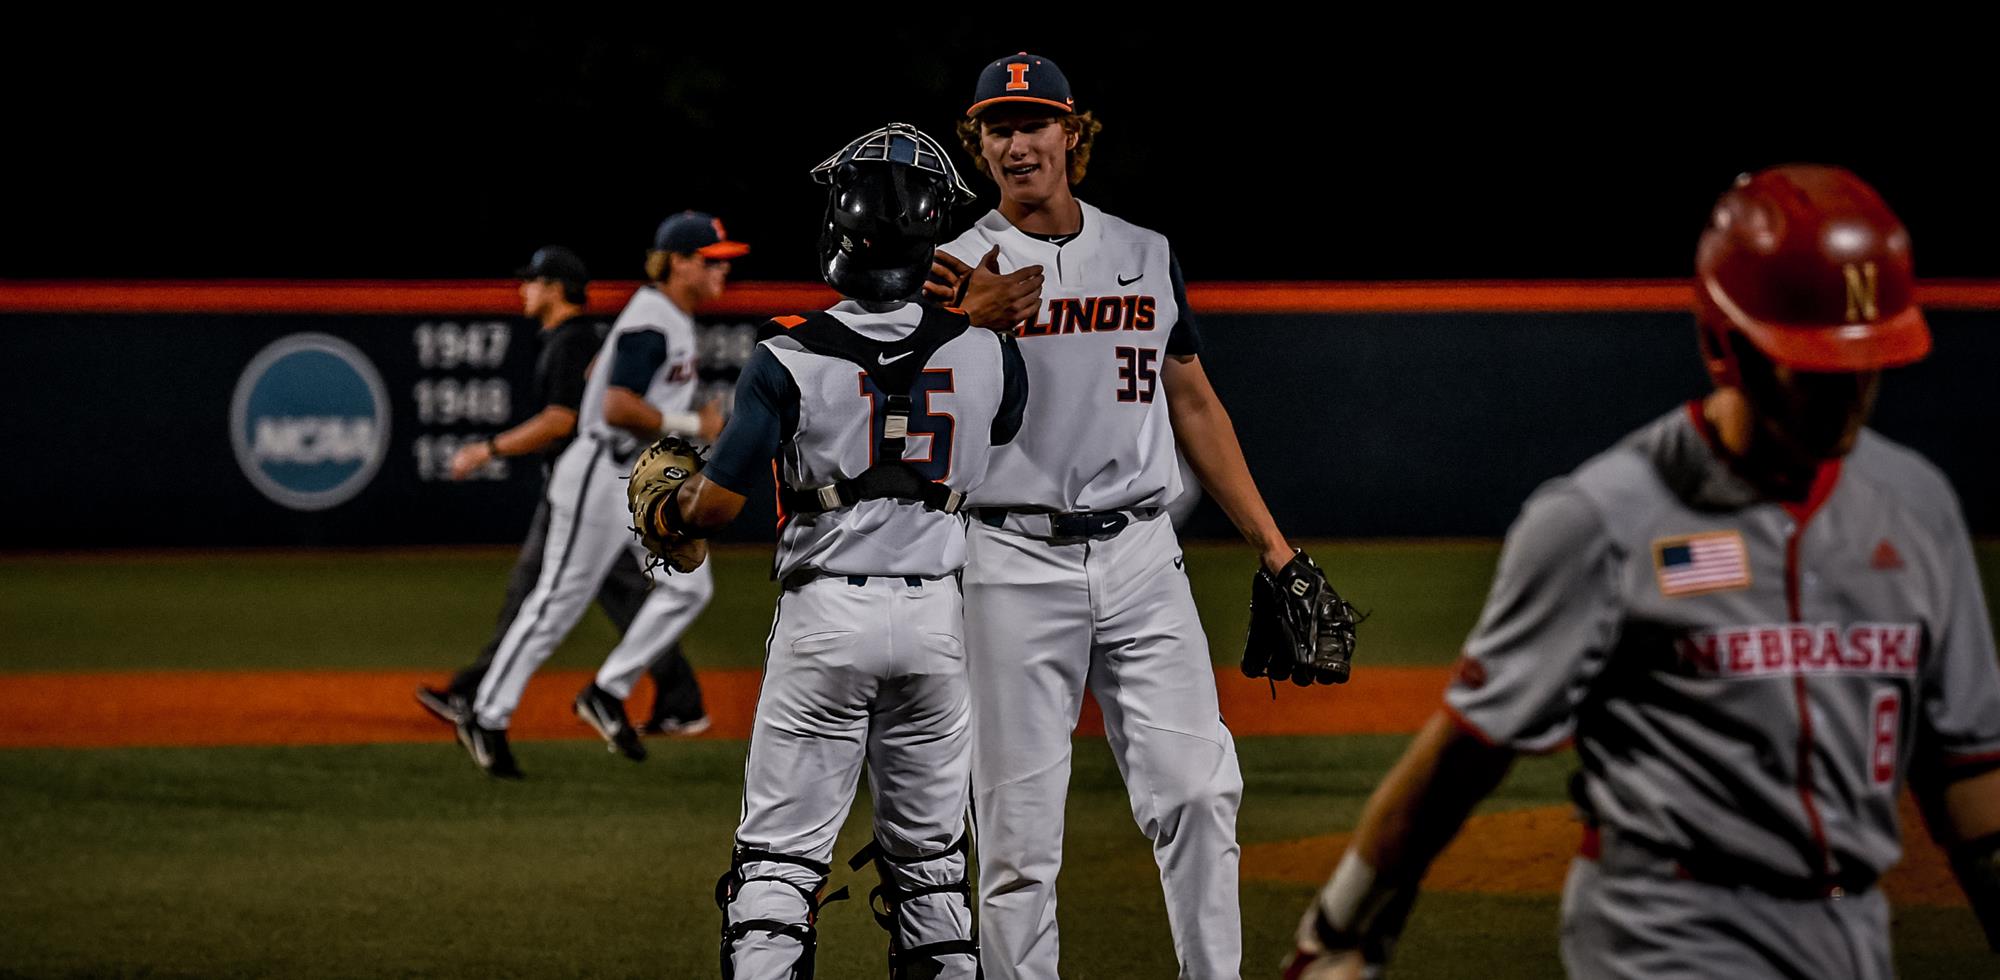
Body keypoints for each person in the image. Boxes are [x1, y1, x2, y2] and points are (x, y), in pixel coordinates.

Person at [1282, 165, 2000, 979]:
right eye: (1818, 367)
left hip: (1852, 936)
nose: (1852, 394)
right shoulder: (1601, 517)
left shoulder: (1918, 504)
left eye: (1870, 362)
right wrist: (1345, 924)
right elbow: (1467, 753)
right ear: (1723, 345)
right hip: (1668, 932)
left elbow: (1968, 771)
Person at [925, 52, 1350, 978]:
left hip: (1140, 557)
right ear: (979, 142)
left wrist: (1276, 550)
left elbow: (1192, 400)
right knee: (1015, 840)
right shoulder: (951, 267)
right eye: (997, 126)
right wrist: (957, 322)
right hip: (1007, 560)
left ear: (1073, 135)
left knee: (1200, 792)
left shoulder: (1145, 253)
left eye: (1034, 122)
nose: (1016, 142)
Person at [637, 122, 1026, 978]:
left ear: (841, 230)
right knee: (932, 877)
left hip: (827, 618)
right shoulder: (993, 353)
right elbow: (997, 425)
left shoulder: (786, 355)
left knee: (777, 868)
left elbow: (717, 506)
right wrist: (969, 324)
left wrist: (671, 512)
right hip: (936, 621)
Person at [452, 213, 737, 778]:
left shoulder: (671, 316)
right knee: (557, 603)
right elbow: (615, 406)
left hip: (637, 477)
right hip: (600, 473)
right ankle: (484, 714)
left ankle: (607, 692)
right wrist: (692, 422)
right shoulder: (652, 319)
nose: (723, 270)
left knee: (689, 587)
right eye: (712, 260)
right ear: (678, 263)